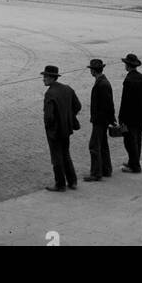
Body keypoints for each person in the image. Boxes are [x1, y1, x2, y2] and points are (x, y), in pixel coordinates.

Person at [41, 64, 81, 192]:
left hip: (55, 131)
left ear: (52, 78)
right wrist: (69, 116)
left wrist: (50, 128)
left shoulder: (50, 93)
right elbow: (77, 106)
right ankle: (72, 181)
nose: (43, 79)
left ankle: (60, 184)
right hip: (67, 128)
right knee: (66, 154)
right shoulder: (67, 89)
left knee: (56, 157)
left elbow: (48, 116)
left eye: (45, 77)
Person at [83, 58, 115, 181]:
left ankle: (96, 173)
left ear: (93, 71)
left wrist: (110, 118)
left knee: (94, 146)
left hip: (100, 120)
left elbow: (108, 104)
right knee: (103, 145)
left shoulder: (101, 84)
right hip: (103, 120)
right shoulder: (103, 82)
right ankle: (106, 169)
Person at [118, 52, 142, 173]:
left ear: (127, 65)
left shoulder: (128, 80)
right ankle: (134, 161)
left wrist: (121, 118)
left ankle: (134, 165)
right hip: (141, 114)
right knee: (138, 139)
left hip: (130, 116)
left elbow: (125, 101)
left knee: (129, 140)